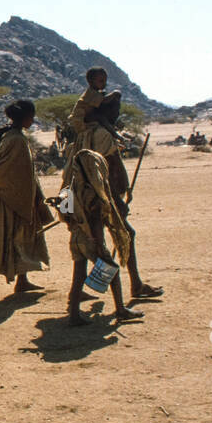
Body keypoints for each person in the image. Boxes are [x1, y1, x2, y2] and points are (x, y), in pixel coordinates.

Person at [62, 69, 162, 299]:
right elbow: (108, 169)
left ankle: (78, 294)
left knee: (88, 245)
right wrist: (120, 196)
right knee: (119, 237)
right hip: (97, 198)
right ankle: (130, 288)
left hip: (76, 197)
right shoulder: (102, 136)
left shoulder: (83, 136)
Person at [0, 100, 51, 295]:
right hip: (11, 199)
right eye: (31, 116)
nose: (33, 119)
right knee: (9, 240)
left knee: (22, 240)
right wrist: (18, 194)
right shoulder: (16, 140)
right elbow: (0, 172)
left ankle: (22, 280)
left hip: (19, 197)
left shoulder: (14, 136)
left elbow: (25, 172)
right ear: (25, 117)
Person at [60, 150, 143, 327]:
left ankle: (74, 314)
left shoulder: (69, 190)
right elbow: (97, 222)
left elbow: (64, 214)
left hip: (75, 238)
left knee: (79, 276)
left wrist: (75, 227)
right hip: (90, 239)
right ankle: (121, 309)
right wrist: (98, 245)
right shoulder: (94, 195)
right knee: (111, 268)